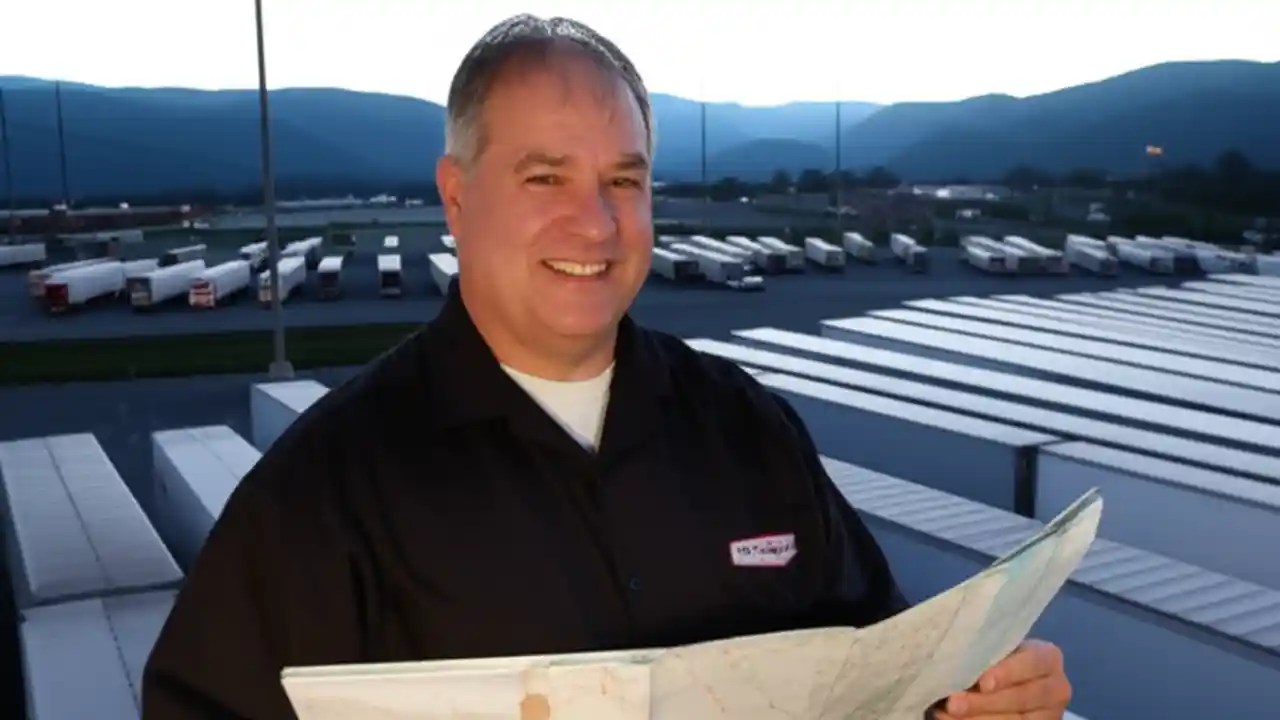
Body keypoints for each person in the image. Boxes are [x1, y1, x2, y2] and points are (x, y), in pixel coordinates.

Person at [142, 14, 1073, 720]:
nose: (596, 224)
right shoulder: (320, 498)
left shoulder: (749, 432)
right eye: (546, 178)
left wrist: (974, 701)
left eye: (623, 181)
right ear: (457, 199)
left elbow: (886, 672)